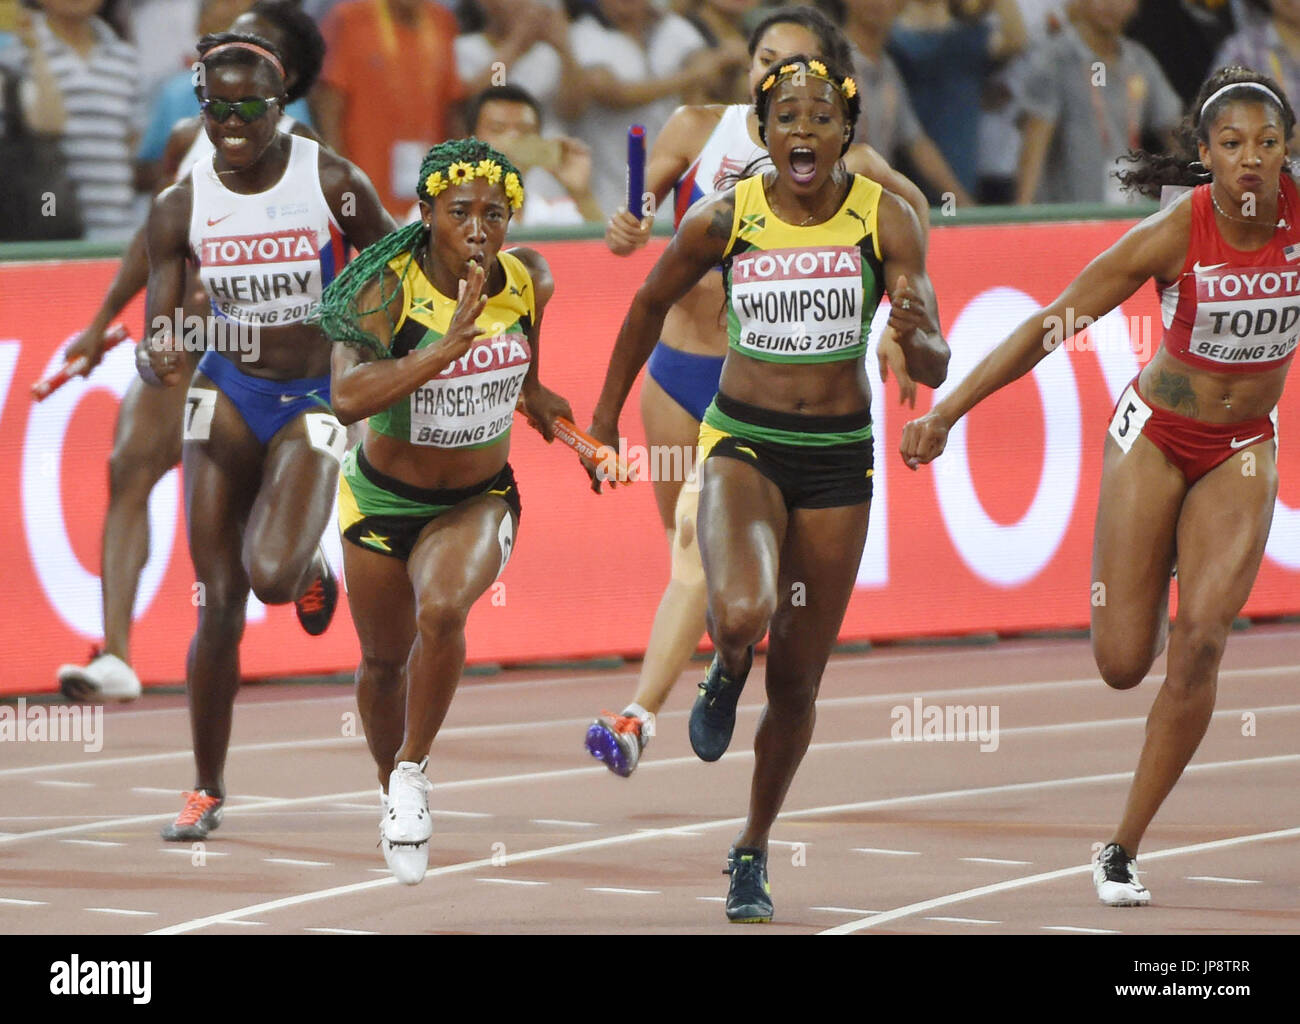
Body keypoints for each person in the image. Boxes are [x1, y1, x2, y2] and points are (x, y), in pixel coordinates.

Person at [900, 66, 1295, 906]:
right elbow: (1054, 323)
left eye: (1269, 144)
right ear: (1205, 157)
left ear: (1288, 153)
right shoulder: (1170, 235)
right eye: (1233, 146)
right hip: (1155, 437)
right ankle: (1161, 556)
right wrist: (949, 413)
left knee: (1204, 644)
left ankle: (1121, 847)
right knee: (1122, 662)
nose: (1253, 161)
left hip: (1242, 451)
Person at [588, 55, 949, 921]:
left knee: (797, 687)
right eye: (786, 117)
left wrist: (916, 331)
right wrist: (601, 422)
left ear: (845, 134)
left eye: (821, 118)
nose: (803, 132)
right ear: (762, 130)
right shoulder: (727, 217)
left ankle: (751, 848)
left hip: (836, 458)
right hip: (744, 440)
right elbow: (645, 304)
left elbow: (933, 357)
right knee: (742, 609)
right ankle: (724, 667)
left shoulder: (887, 220)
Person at [138, 31, 393, 840]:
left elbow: (393, 263)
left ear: (281, 108)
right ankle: (206, 787)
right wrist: (161, 352)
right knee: (218, 603)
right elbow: (160, 329)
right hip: (226, 392)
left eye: (250, 108)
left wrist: (365, 345)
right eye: (216, 108)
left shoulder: (331, 181)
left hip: (316, 395)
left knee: (274, 577)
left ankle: (308, 560)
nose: (232, 123)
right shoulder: (180, 205)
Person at [314, 139, 576, 884]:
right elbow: (347, 396)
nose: (479, 227)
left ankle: (415, 770)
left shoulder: (529, 279)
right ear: (425, 213)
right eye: (460, 211)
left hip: (475, 498)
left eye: (495, 213)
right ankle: (391, 784)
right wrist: (443, 348)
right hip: (380, 499)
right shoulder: (384, 290)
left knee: (443, 610)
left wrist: (538, 399)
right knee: (381, 663)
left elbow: (522, 362)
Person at [56, 0, 334, 702]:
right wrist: (98, 323)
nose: (232, 51)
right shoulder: (188, 134)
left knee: (247, 524)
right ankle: (115, 653)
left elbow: (349, 259)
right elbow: (156, 240)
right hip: (181, 337)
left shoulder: (310, 157)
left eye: (253, 45)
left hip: (265, 363)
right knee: (128, 466)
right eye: (228, 41)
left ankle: (302, 568)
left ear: (286, 77)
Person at [1015, 0, 1181, 205]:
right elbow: (1034, 142)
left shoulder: (1139, 61)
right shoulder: (1055, 59)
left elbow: (1176, 133)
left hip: (1128, 214)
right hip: (1069, 214)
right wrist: (1022, 214)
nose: (1112, 6)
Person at [312, 0, 465, 218]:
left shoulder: (443, 21)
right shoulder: (349, 18)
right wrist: (342, 182)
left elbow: (453, 107)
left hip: (429, 188)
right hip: (367, 186)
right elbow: (328, 105)